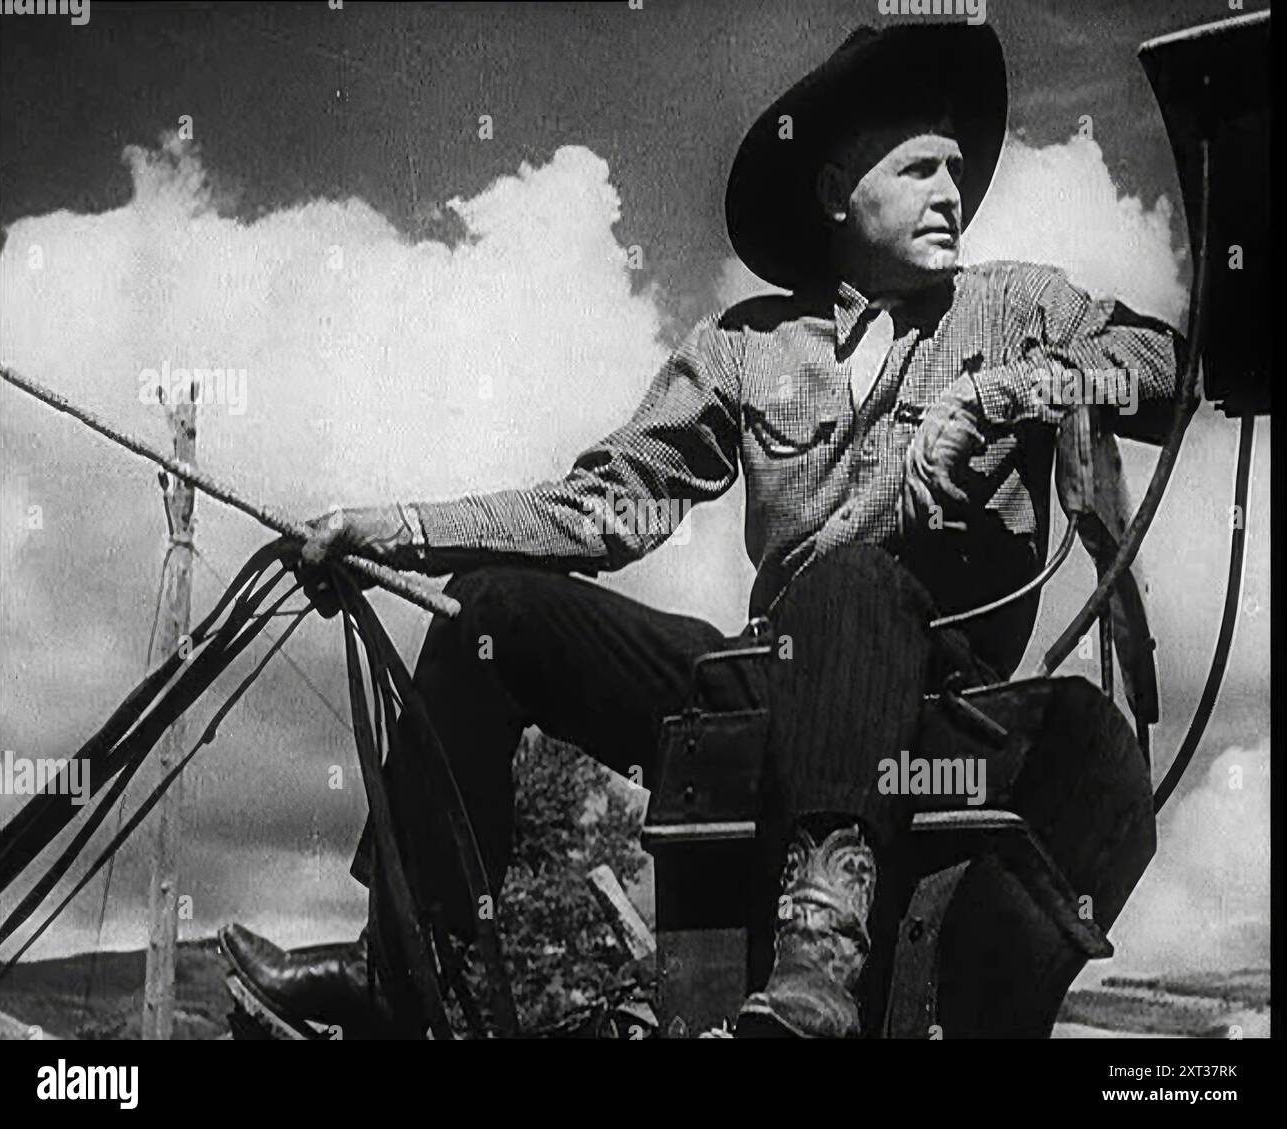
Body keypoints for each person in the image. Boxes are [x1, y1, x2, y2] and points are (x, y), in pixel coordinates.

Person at [220, 21, 1181, 1038]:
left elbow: (1165, 371)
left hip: (937, 691)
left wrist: (1006, 394)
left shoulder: (1017, 303)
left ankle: (820, 955)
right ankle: (405, 968)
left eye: (956, 169)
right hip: (763, 678)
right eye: (920, 168)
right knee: (491, 611)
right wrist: (394, 529)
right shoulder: (740, 347)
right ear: (835, 193)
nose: (953, 191)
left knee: (850, 579)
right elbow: (598, 508)